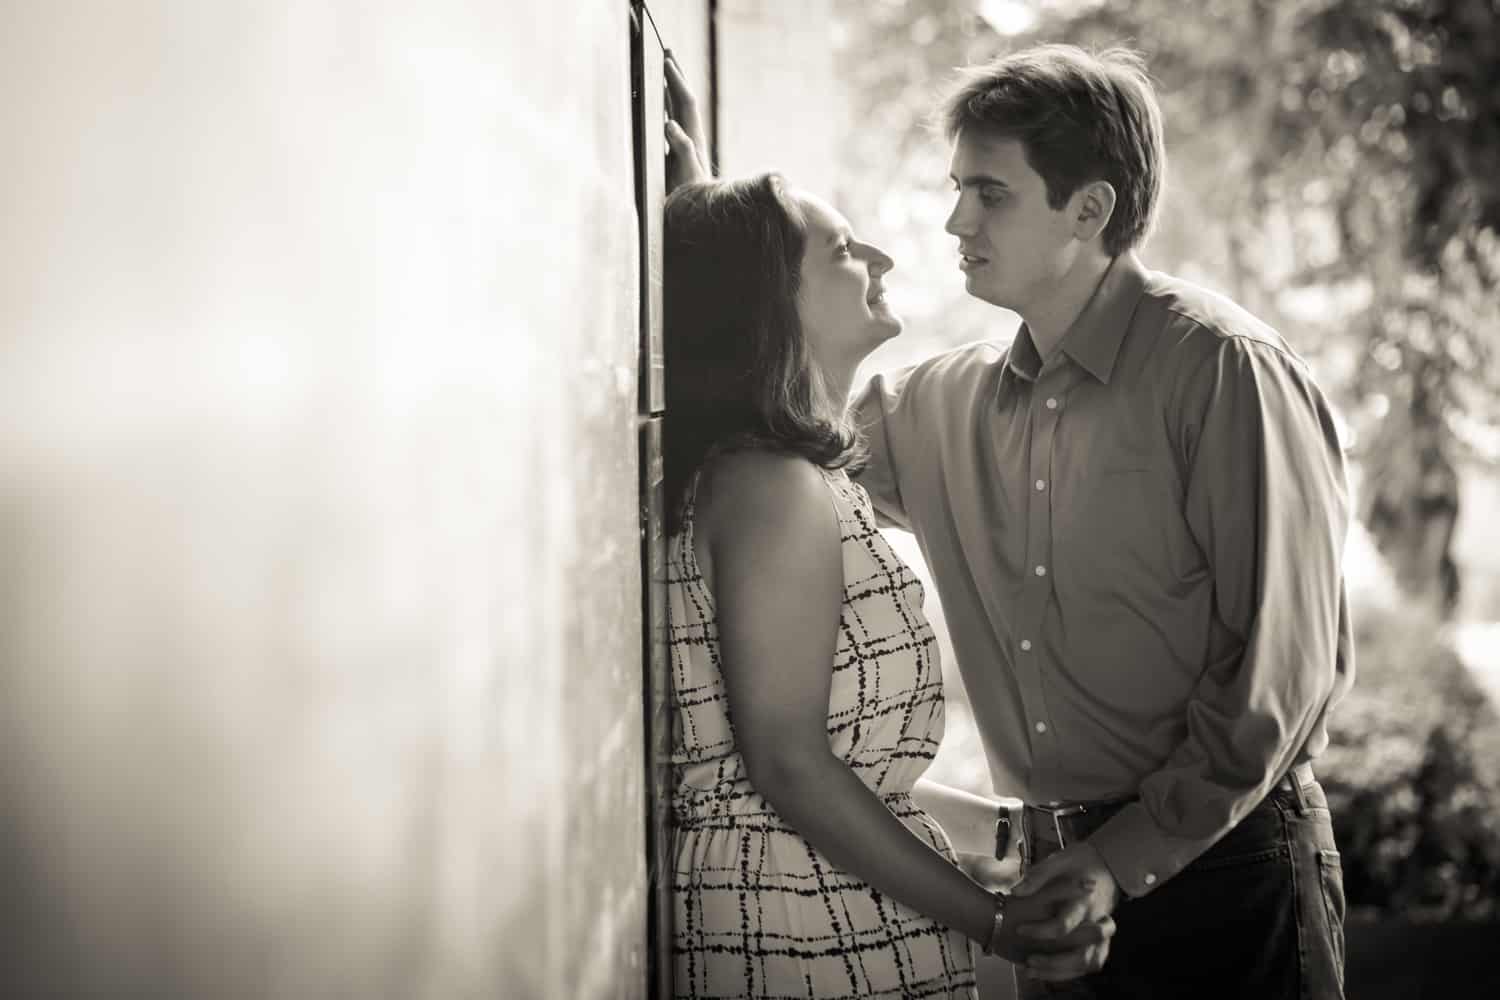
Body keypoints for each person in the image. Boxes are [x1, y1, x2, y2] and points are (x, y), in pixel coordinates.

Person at [850, 45, 1354, 998]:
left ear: (1089, 210)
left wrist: (1117, 860)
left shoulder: (1224, 368)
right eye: (958, 189)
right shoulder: (939, 406)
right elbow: (784, 438)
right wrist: (714, 225)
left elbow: (1282, 672)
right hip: (1053, 885)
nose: (956, 221)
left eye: (990, 193)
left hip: (1227, 871)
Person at [659, 57, 1113, 999]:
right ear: (768, 301)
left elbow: (842, 762)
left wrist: (1008, 835)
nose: (882, 258)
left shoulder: (793, 475)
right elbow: (787, 765)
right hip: (796, 928)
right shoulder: (773, 488)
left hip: (820, 906)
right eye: (842, 250)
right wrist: (994, 923)